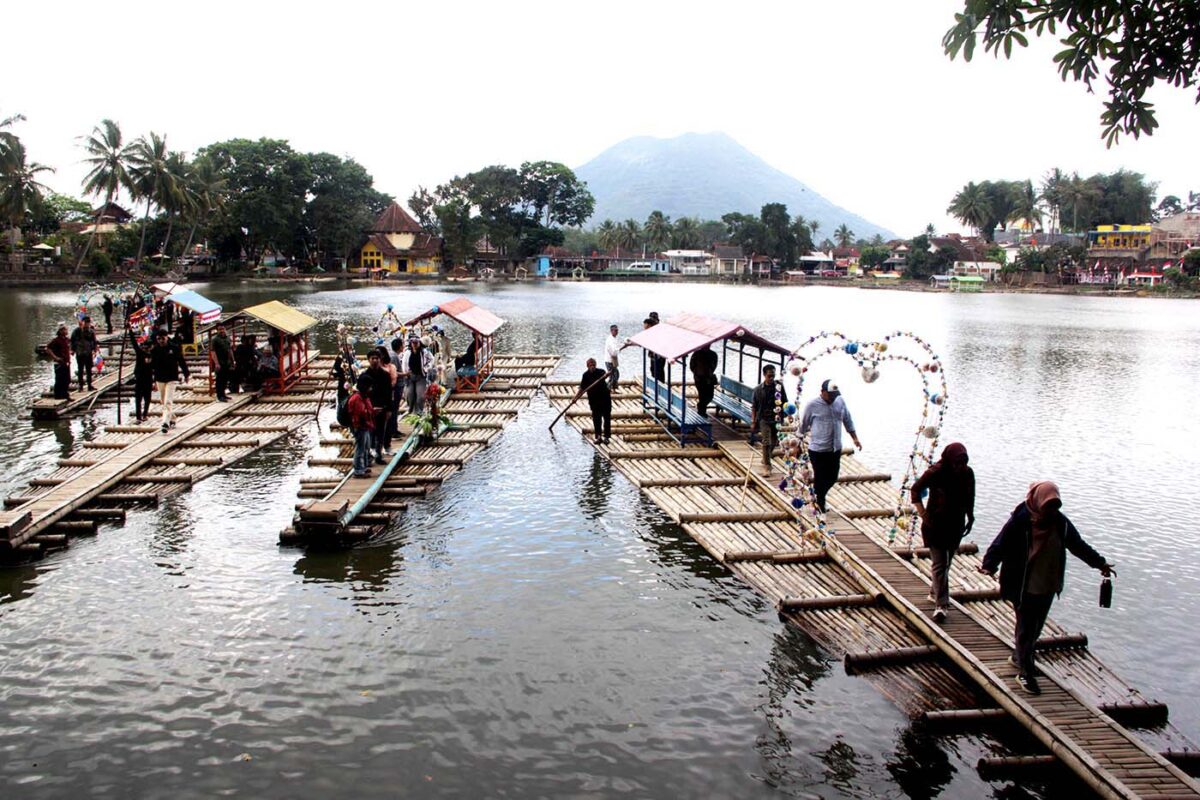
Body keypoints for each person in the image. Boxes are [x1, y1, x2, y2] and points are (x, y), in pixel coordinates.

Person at [980, 481, 1115, 696]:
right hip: (1022, 583)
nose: (1051, 511)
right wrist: (989, 564)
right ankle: (1025, 673)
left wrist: (1100, 564)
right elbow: (1001, 543)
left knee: (1036, 627)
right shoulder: (1020, 520)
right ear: (1038, 502)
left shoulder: (1060, 523)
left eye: (1055, 506)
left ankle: (1019, 657)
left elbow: (1078, 545)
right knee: (1026, 628)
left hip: (1047, 583)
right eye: (1048, 506)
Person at [911, 442, 976, 621]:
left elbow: (970, 496)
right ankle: (941, 605)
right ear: (950, 460)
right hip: (935, 523)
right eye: (957, 463)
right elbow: (915, 489)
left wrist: (970, 517)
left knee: (947, 563)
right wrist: (923, 513)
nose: (960, 467)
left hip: (956, 523)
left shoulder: (967, 473)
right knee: (939, 563)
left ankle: (934, 592)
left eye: (963, 463)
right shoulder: (936, 472)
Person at [800, 379, 862, 512]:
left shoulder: (840, 402)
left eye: (835, 395)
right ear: (822, 392)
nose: (833, 398)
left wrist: (855, 438)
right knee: (820, 476)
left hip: (835, 448)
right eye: (830, 395)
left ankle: (817, 496)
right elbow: (803, 424)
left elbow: (847, 420)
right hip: (818, 449)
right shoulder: (812, 405)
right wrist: (798, 441)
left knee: (833, 477)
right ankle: (820, 504)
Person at [750, 364, 788, 476]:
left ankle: (765, 457)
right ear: (764, 375)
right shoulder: (758, 390)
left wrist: (787, 413)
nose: (771, 378)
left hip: (776, 418)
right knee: (766, 441)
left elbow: (785, 401)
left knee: (774, 441)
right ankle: (767, 465)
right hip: (764, 418)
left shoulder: (779, 387)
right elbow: (754, 407)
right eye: (769, 376)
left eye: (773, 376)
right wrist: (753, 421)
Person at [150, 327, 190, 432]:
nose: (161, 341)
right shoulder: (154, 350)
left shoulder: (174, 348)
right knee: (163, 401)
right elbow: (152, 366)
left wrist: (186, 374)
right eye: (159, 339)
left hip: (172, 378)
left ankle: (165, 423)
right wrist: (152, 381)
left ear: (167, 337)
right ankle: (172, 418)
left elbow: (181, 361)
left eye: (162, 338)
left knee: (168, 401)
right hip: (160, 378)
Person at [365, 350, 393, 464]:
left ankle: (378, 455)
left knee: (381, 433)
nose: (375, 360)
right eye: (373, 358)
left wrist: (389, 409)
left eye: (377, 358)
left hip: (382, 407)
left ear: (380, 359)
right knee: (369, 433)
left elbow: (389, 393)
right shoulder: (365, 375)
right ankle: (368, 456)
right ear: (369, 360)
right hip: (369, 408)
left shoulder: (385, 375)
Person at [347, 374, 376, 478]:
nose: (371, 389)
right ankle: (358, 470)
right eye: (369, 387)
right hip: (360, 426)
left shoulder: (363, 397)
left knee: (365, 447)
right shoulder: (357, 398)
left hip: (365, 426)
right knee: (360, 448)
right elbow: (360, 414)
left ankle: (363, 467)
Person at [579, 357, 612, 443]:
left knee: (606, 418)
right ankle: (598, 437)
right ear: (587, 366)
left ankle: (606, 437)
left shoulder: (601, 372)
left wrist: (606, 375)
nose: (592, 366)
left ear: (595, 365)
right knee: (597, 419)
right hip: (594, 400)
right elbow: (582, 388)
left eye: (593, 365)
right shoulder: (585, 375)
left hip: (605, 399)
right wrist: (575, 398)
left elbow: (605, 375)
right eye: (590, 365)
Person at [404, 334, 434, 415]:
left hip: (421, 376)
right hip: (410, 377)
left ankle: (420, 411)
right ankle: (410, 410)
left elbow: (431, 360)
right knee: (409, 395)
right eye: (413, 343)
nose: (414, 345)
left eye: (416, 343)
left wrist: (426, 368)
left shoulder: (424, 352)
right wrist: (405, 373)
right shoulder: (407, 352)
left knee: (420, 396)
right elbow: (404, 363)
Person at [129, 329, 154, 422]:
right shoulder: (140, 353)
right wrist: (130, 331)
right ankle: (138, 417)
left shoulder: (153, 355)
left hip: (148, 379)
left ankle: (145, 414)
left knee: (147, 398)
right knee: (138, 398)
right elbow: (134, 343)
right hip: (140, 378)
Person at [688, 344, 719, 416]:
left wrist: (709, 372)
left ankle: (701, 408)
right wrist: (697, 373)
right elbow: (692, 366)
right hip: (699, 379)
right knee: (702, 396)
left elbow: (714, 365)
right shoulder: (696, 354)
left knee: (710, 396)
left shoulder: (713, 354)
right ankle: (702, 412)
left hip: (708, 379)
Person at [70, 316, 98, 392]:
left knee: (89, 369)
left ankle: (89, 385)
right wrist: (72, 350)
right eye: (86, 322)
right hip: (80, 352)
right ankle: (81, 386)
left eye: (88, 322)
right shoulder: (77, 331)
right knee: (80, 369)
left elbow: (94, 341)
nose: (87, 324)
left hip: (88, 352)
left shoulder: (91, 331)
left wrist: (95, 349)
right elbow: (72, 341)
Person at [210, 323, 235, 402]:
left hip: (227, 362)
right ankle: (220, 395)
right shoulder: (215, 340)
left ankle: (224, 394)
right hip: (220, 362)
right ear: (217, 330)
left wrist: (233, 360)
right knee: (219, 379)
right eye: (220, 329)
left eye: (223, 329)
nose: (221, 331)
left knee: (225, 379)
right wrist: (216, 363)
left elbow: (230, 350)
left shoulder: (227, 338)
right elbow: (213, 352)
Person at [46, 325, 72, 400]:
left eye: (66, 330)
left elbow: (71, 345)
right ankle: (57, 396)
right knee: (59, 379)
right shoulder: (56, 340)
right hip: (59, 363)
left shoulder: (67, 339)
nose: (66, 331)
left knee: (67, 379)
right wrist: (55, 357)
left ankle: (65, 394)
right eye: (65, 330)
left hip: (66, 362)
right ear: (60, 331)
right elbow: (48, 349)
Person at [643, 317, 666, 382]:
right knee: (653, 370)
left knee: (658, 371)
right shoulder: (650, 333)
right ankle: (656, 383)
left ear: (650, 325)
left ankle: (660, 384)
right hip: (653, 356)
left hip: (659, 356)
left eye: (646, 327)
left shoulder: (657, 333)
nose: (645, 329)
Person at [603, 324, 622, 390]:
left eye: (617, 330)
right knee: (613, 376)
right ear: (611, 331)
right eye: (615, 330)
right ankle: (608, 389)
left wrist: (624, 345)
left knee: (616, 374)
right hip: (609, 360)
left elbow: (618, 347)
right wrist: (622, 347)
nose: (617, 332)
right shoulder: (610, 340)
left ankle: (612, 388)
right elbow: (613, 352)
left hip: (612, 360)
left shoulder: (614, 339)